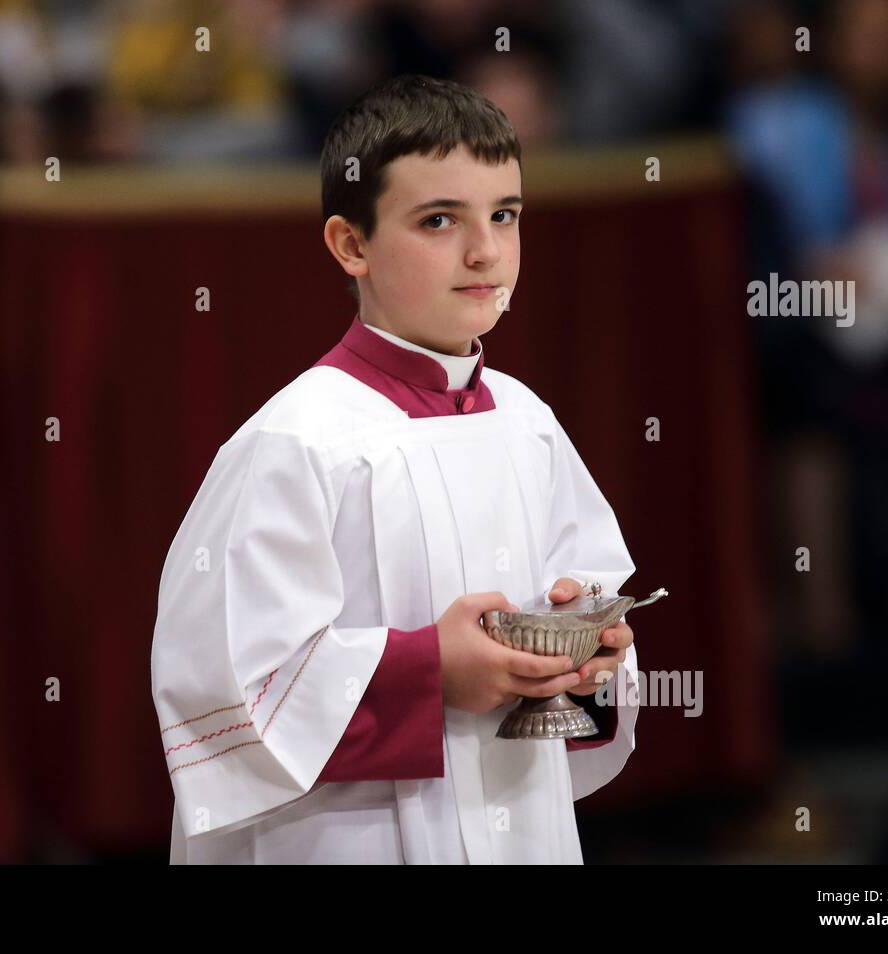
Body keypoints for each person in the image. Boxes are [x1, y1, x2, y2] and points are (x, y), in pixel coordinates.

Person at [151, 75, 639, 864]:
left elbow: (589, 594)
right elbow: (223, 692)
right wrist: (429, 671)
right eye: (439, 220)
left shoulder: (528, 424)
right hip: (353, 833)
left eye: (505, 216)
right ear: (352, 245)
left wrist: (590, 657)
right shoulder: (295, 442)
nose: (485, 251)